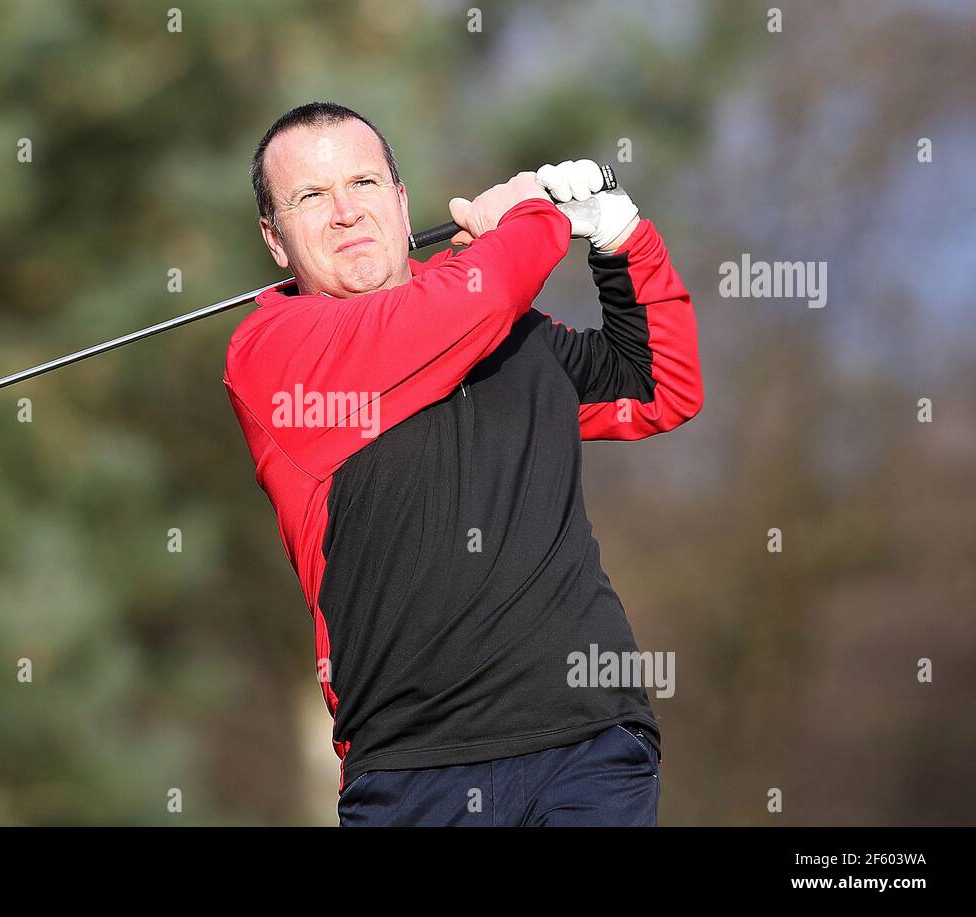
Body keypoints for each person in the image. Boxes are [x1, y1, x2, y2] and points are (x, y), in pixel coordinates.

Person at [224, 101, 702, 826]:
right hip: (414, 772)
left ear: (401, 200)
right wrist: (531, 216)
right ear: (276, 240)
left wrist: (618, 235)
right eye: (311, 197)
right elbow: (460, 308)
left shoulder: (503, 326)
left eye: (364, 183)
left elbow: (660, 385)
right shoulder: (270, 354)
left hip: (588, 743)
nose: (347, 212)